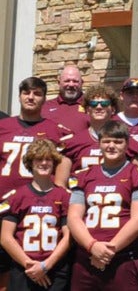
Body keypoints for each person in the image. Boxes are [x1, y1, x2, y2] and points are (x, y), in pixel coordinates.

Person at [0, 78, 73, 290]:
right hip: (6, 204)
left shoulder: (55, 130)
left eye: (37, 93)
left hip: (41, 203)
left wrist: (58, 189)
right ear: (20, 95)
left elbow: (65, 160)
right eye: (26, 93)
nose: (31, 97)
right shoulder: (3, 127)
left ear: (44, 98)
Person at [66, 121, 138, 291]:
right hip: (86, 257)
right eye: (106, 141)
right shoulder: (83, 176)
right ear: (99, 143)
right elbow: (74, 217)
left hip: (123, 258)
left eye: (118, 141)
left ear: (127, 144)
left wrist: (107, 251)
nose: (111, 146)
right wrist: (92, 246)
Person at [0, 139, 71, 291]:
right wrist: (30, 265)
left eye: (48, 159)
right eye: (39, 159)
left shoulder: (64, 196)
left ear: (54, 162)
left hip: (55, 269)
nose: (44, 163)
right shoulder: (17, 196)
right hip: (23, 269)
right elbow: (5, 237)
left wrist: (46, 266)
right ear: (30, 163)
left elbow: (68, 236)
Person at [57, 85, 120, 182]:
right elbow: (60, 184)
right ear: (86, 110)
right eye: (94, 103)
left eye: (105, 103)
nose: (99, 107)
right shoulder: (72, 143)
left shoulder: (124, 140)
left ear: (113, 109)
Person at [42, 64, 89, 132]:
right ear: (59, 82)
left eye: (75, 81)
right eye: (67, 81)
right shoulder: (45, 107)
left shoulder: (92, 105)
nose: (71, 84)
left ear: (82, 83)